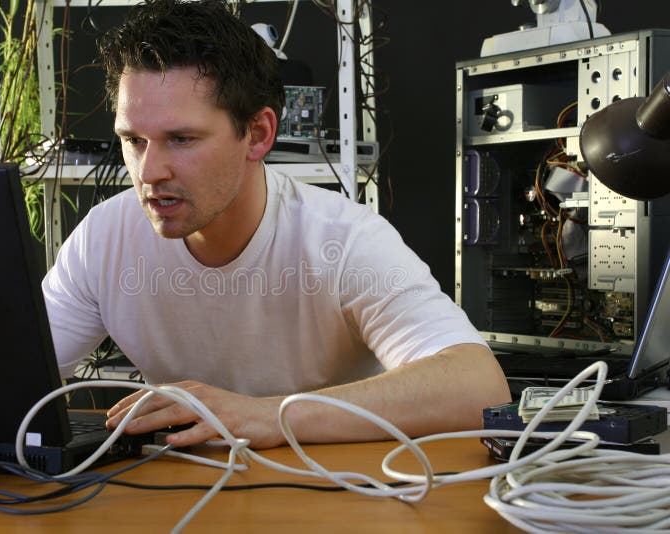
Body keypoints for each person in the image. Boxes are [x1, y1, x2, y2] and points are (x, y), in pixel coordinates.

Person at [42, 0, 511, 449]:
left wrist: (269, 415)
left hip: (339, 500)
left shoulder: (341, 241)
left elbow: (477, 386)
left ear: (259, 134)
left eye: (181, 139)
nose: (148, 172)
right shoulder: (104, 238)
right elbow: (5, 374)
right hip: (183, 496)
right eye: (134, 140)